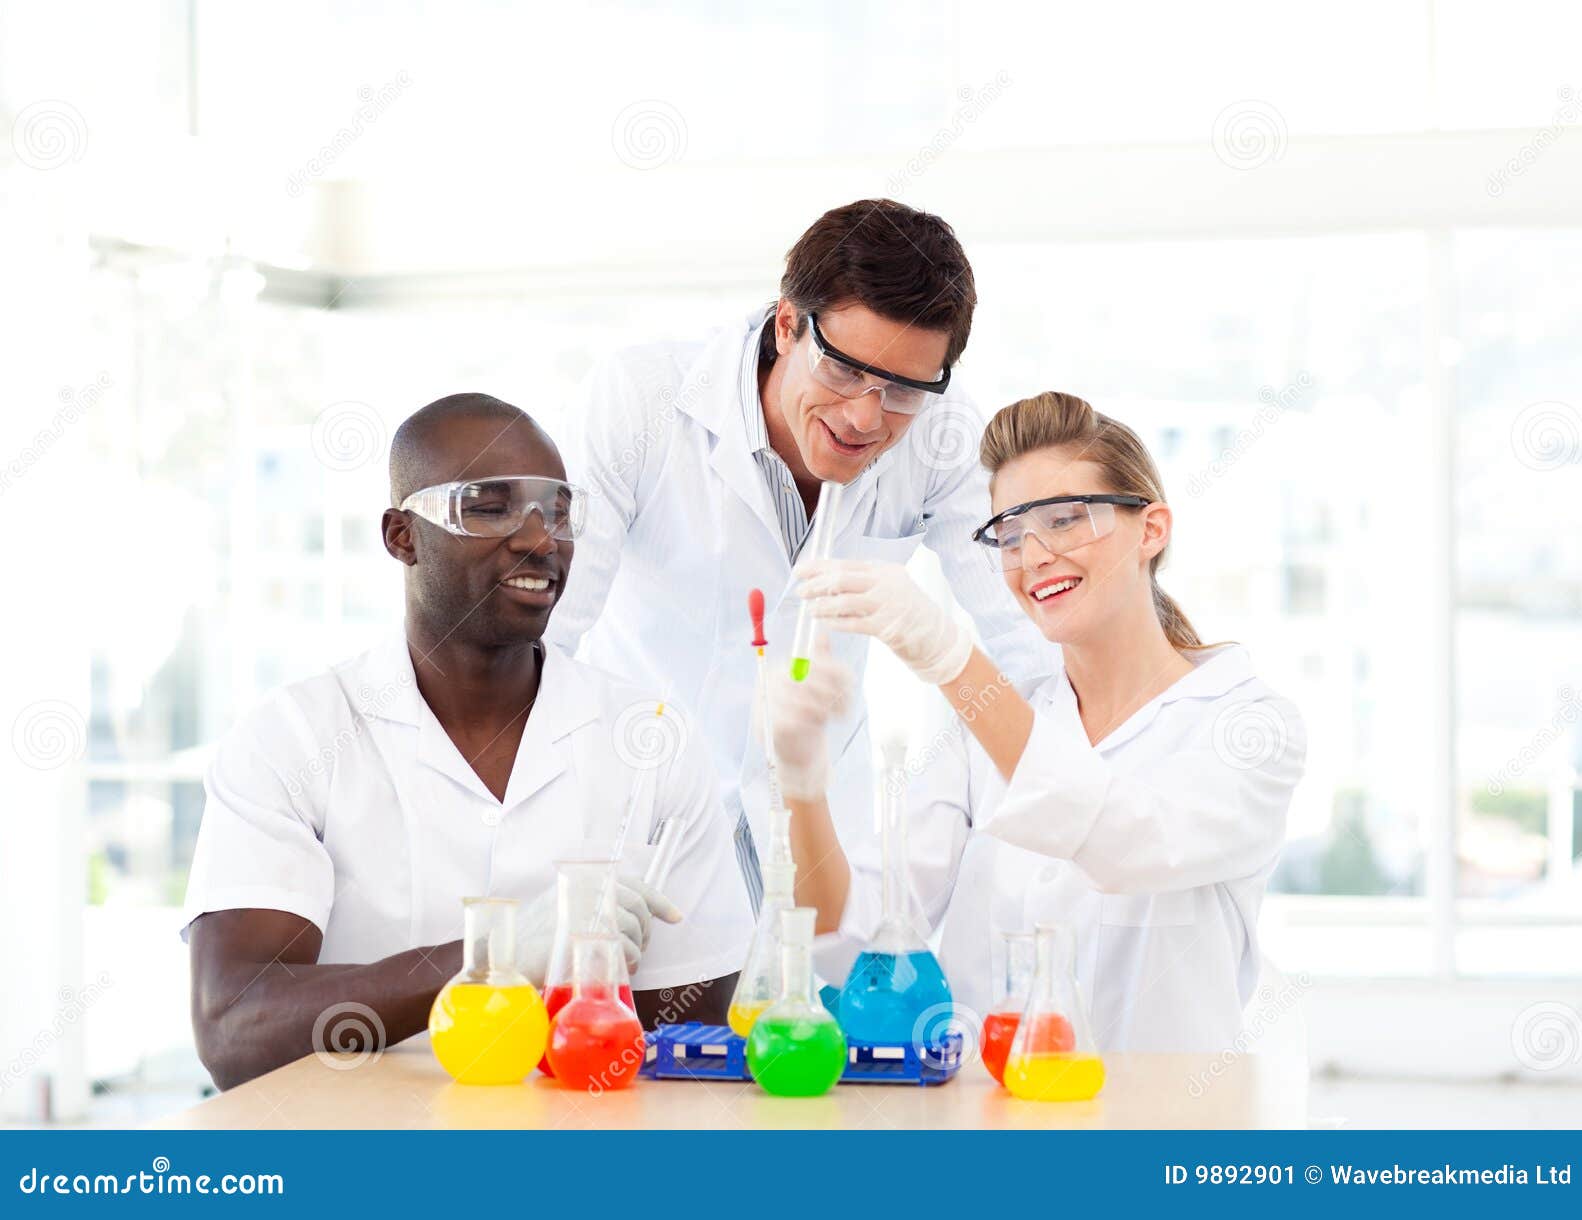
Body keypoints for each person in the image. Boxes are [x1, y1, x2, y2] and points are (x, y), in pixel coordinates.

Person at [184, 394, 752, 1088]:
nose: (540, 539)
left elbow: (681, 1049)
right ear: (402, 537)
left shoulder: (652, 742)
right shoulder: (295, 739)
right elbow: (233, 1026)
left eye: (559, 512)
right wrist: (496, 955)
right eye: (488, 507)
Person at [547, 199, 1054, 904]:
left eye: (905, 389)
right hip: (641, 826)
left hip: (825, 842)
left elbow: (1034, 646)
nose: (865, 417)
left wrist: (1072, 824)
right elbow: (545, 639)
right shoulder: (641, 401)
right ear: (788, 325)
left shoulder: (941, 432)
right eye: (844, 372)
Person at [770, 392, 1306, 1052]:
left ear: (1152, 528)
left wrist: (951, 658)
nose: (1034, 556)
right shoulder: (979, 738)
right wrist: (800, 784)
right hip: (988, 1128)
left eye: (1064, 519)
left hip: (1159, 1131)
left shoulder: (1245, 724)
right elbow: (849, 936)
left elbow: (1124, 843)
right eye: (1010, 534)